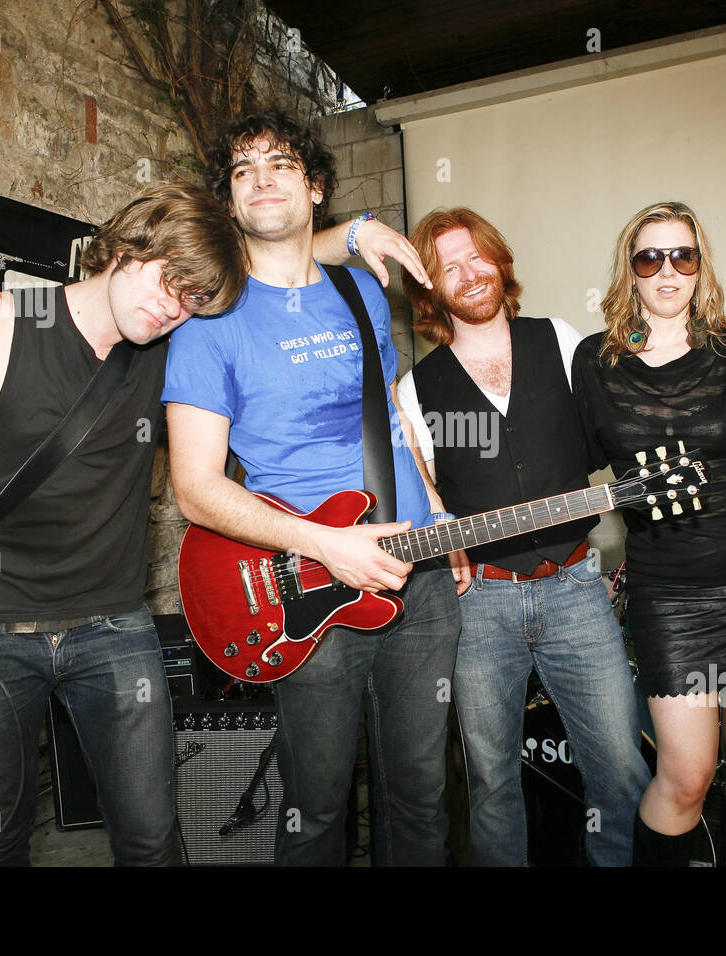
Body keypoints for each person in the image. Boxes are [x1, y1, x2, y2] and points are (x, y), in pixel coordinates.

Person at [0, 181, 429, 866]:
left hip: (113, 627)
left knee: (153, 840)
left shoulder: (169, 342)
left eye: (192, 297)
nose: (172, 306)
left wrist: (353, 233)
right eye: (167, 279)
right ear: (125, 246)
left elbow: (275, 259)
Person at [162, 111, 461, 866]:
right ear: (230, 200)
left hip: (420, 573)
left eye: (282, 164)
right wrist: (327, 544)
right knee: (317, 807)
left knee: (421, 795)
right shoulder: (208, 322)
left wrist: (436, 508)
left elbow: (390, 412)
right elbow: (195, 489)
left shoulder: (361, 292)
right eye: (243, 170)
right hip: (309, 587)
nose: (262, 179)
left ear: (316, 187)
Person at [397, 207, 651, 866]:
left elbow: (614, 428)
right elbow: (426, 504)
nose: (468, 274)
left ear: (499, 263)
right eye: (448, 267)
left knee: (621, 771)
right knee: (491, 786)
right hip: (479, 606)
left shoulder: (558, 340)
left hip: (576, 589)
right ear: (431, 289)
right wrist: (435, 522)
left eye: (477, 256)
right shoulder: (416, 390)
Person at [571, 201, 726, 867]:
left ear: (700, 267)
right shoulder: (596, 360)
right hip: (668, 595)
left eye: (682, 256)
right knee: (687, 775)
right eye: (650, 258)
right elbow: (570, 465)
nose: (667, 271)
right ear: (630, 271)